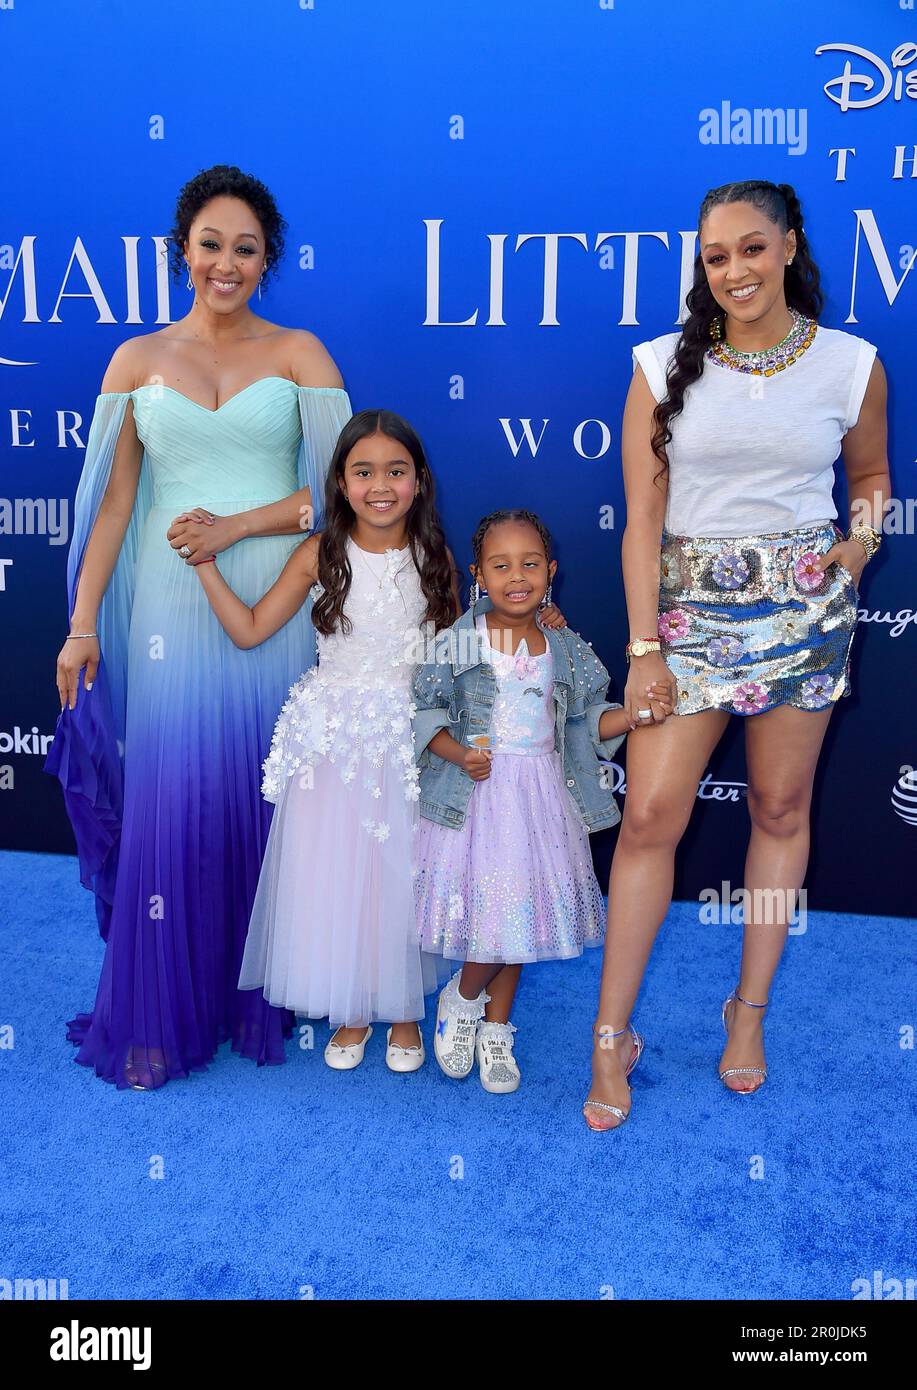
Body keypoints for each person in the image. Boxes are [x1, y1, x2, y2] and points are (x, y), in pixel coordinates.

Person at [584, 179, 889, 1131]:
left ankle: (745, 1012)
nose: (733, 271)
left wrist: (857, 543)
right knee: (650, 822)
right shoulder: (657, 363)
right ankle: (610, 1034)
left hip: (804, 615)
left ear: (789, 246)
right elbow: (641, 520)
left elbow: (872, 476)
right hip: (684, 622)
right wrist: (642, 647)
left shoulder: (850, 365)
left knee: (780, 806)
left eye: (750, 249)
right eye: (715, 257)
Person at [45, 165, 352, 1089]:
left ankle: (256, 993)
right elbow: (113, 509)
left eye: (246, 249)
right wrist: (82, 623)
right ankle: (160, 1011)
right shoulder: (135, 362)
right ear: (183, 250)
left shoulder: (301, 352)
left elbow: (350, 496)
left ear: (269, 260)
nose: (227, 263)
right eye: (211, 244)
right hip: (168, 610)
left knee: (262, 789)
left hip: (272, 601)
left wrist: (237, 526)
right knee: (172, 799)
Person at [411, 509, 673, 1092]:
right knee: (500, 915)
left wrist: (629, 717)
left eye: (530, 564)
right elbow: (422, 710)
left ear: (550, 571)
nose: (517, 576)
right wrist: (458, 753)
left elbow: (585, 721)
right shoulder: (459, 642)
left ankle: (496, 1027)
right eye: (501, 566)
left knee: (522, 914)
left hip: (541, 797)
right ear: (478, 575)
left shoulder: (565, 647)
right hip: (478, 798)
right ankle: (464, 995)